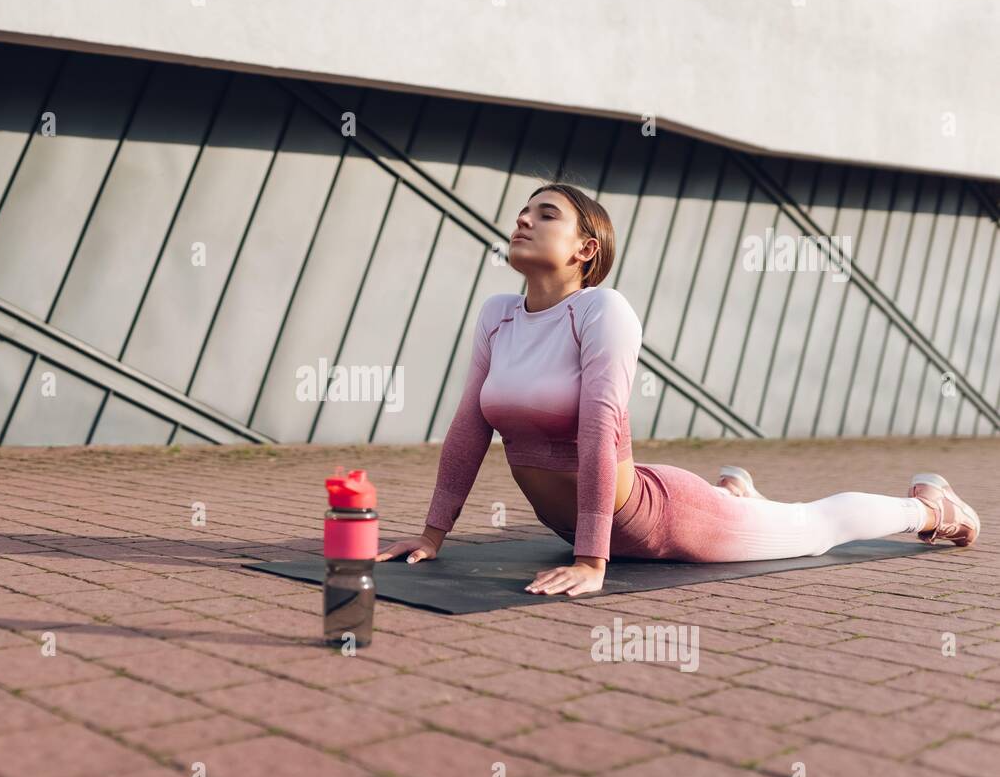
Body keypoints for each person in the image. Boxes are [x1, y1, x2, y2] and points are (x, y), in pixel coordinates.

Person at [376, 182, 980, 598]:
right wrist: (432, 535)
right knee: (766, 518)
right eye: (524, 211)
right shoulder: (497, 314)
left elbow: (599, 429)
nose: (524, 219)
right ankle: (736, 496)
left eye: (547, 213)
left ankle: (931, 508)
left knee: (813, 529)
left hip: (659, 520)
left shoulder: (603, 311)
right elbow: (469, 427)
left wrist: (592, 561)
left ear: (586, 251)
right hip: (582, 526)